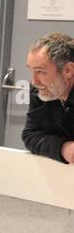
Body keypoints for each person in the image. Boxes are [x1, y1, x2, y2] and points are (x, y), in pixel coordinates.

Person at [22, 31, 74, 163]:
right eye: (31, 71)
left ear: (68, 71)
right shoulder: (38, 90)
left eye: (40, 72)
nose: (34, 81)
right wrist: (62, 148)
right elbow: (30, 135)